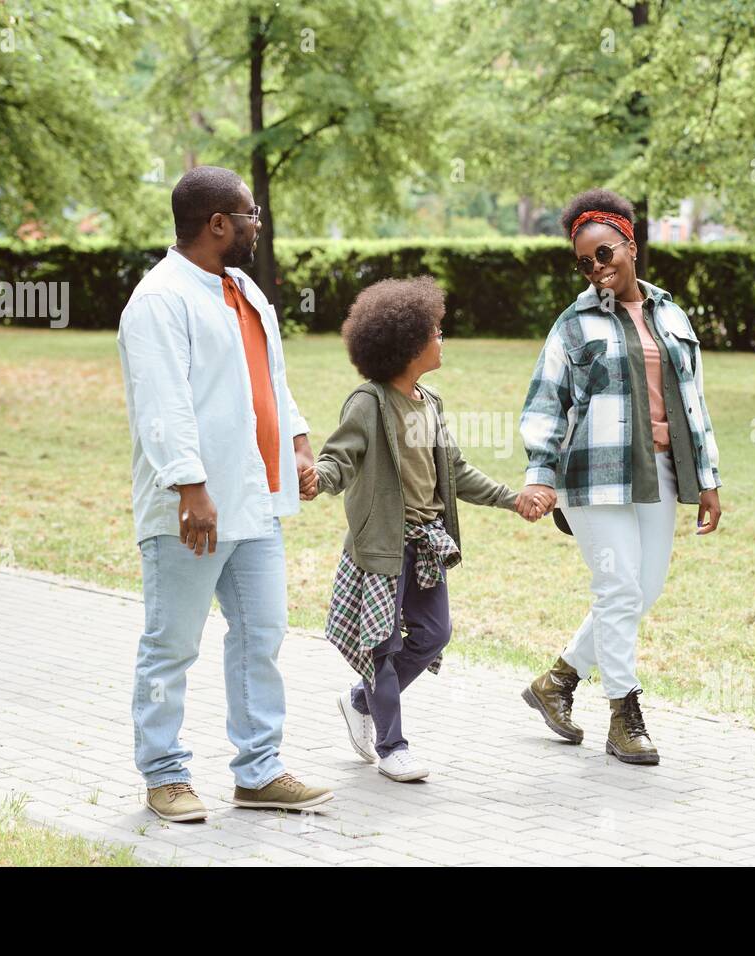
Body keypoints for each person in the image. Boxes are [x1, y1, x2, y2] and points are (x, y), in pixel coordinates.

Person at [117, 165, 333, 821]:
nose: (257, 225)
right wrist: (190, 486)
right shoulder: (160, 300)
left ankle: (259, 771)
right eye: (250, 214)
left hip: (255, 501)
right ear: (218, 224)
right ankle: (164, 775)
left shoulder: (242, 290)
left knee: (261, 636)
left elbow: (270, 378)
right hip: (194, 509)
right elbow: (162, 405)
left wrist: (296, 440)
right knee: (171, 644)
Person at [302, 277, 550, 782]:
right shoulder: (368, 404)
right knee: (383, 646)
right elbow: (339, 459)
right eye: (437, 332)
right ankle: (393, 747)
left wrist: (512, 498)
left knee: (434, 635)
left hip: (426, 544)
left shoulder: (428, 402)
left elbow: (453, 472)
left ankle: (360, 701)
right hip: (382, 549)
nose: (443, 339)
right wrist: (316, 480)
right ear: (410, 344)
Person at [519, 188, 723, 766]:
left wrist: (707, 479)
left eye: (605, 255)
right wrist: (541, 476)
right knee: (618, 589)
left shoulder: (672, 314)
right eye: (584, 263)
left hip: (659, 468)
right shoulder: (574, 324)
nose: (596, 270)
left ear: (630, 246)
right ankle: (624, 715)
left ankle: (557, 681)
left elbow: (695, 403)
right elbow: (544, 406)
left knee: (644, 589)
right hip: (592, 474)